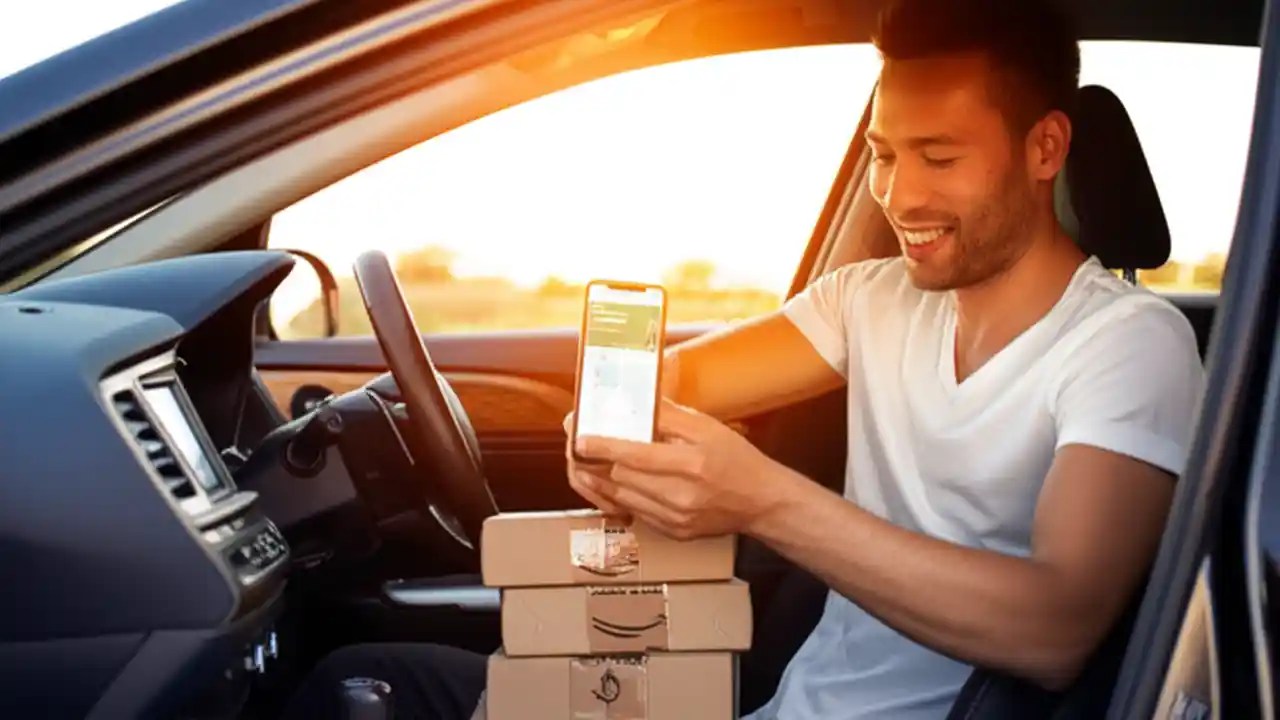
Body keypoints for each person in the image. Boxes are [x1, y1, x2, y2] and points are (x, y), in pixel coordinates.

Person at [284, 0, 1204, 716]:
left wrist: (762, 499)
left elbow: (1056, 629)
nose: (898, 195)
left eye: (939, 156)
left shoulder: (1128, 345)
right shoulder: (871, 299)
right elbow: (683, 378)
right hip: (780, 706)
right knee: (362, 683)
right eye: (884, 154)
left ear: (1045, 149)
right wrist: (613, 424)